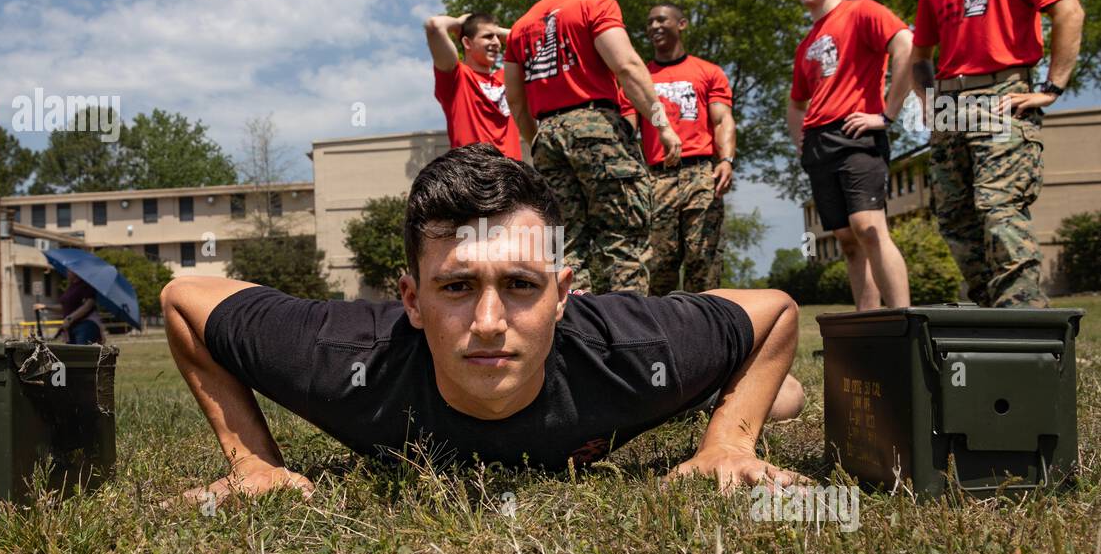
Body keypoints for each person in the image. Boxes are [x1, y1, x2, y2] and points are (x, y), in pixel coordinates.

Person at [161, 143, 807, 506]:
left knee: (782, 396)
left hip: (648, 384)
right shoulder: (343, 357)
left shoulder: (637, 347)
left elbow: (775, 312)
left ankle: (712, 402)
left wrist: (730, 440)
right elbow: (184, 297)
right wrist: (252, 461)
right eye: (458, 286)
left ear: (562, 294)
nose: (491, 322)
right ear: (411, 300)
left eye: (522, 285)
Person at [909, 0, 1084, 308]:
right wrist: (932, 104)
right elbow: (920, 56)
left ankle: (1025, 323)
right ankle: (991, 323)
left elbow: (1068, 12)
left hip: (1001, 93)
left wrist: (1052, 87)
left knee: (999, 208)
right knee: (954, 218)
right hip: (950, 102)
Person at [502, 0, 682, 294]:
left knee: (566, 245)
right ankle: (628, 335)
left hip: (547, 133)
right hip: (596, 128)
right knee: (624, 236)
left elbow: (516, 100)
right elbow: (628, 65)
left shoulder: (521, 26)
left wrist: (535, 139)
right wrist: (662, 124)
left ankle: (576, 335)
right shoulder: (595, 4)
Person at [786, 0, 913, 310]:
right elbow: (796, 103)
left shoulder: (863, 11)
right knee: (845, 238)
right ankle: (867, 327)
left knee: (868, 227)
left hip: (857, 134)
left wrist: (887, 114)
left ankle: (905, 324)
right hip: (819, 144)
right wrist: (801, 142)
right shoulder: (806, 44)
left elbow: (906, 45)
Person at [620, 2, 736, 295]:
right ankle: (661, 332)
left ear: (681, 24)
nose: (655, 27)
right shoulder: (638, 80)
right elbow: (627, 130)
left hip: (701, 173)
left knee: (703, 259)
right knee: (659, 263)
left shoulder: (708, 72)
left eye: (662, 20)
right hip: (657, 178)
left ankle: (707, 331)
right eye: (650, 23)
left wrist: (727, 160)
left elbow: (722, 120)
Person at [425, 11, 523, 160]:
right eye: (488, 36)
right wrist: (460, 22)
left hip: (511, 178)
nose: (497, 42)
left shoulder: (507, 77)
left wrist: (495, 30)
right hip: (472, 178)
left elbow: (530, 41)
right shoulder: (456, 78)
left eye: (497, 37)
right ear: (467, 43)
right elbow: (434, 26)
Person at [35, 275, 105, 344]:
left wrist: (70, 318)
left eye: (69, 270)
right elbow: (64, 307)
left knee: (82, 352)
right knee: (72, 353)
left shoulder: (87, 285)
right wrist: (45, 306)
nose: (67, 272)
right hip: (71, 327)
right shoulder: (71, 287)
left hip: (85, 325)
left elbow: (88, 305)